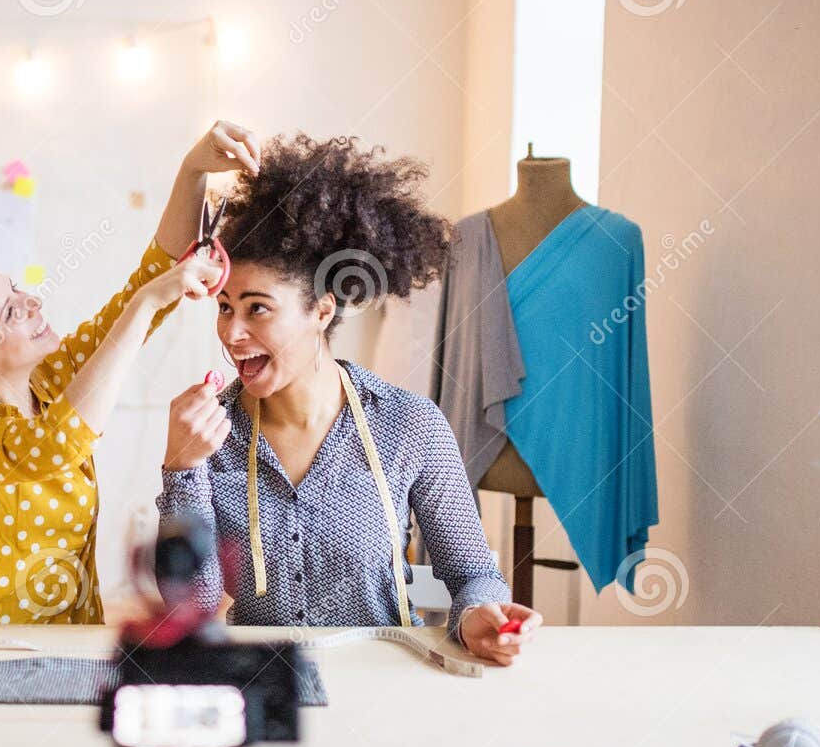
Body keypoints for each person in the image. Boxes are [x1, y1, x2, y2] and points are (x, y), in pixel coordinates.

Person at [157, 133, 541, 665]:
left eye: (257, 309)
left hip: (384, 686)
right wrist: (182, 467)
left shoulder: (408, 425)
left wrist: (482, 616)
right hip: (263, 688)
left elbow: (473, 573)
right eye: (224, 308)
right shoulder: (211, 435)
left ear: (321, 312)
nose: (232, 333)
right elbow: (189, 606)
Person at [0, 121, 260, 624]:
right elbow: (56, 444)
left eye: (17, 289)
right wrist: (147, 302)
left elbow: (153, 277)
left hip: (64, 650)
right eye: (10, 312)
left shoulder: (49, 383)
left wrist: (193, 168)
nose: (33, 301)